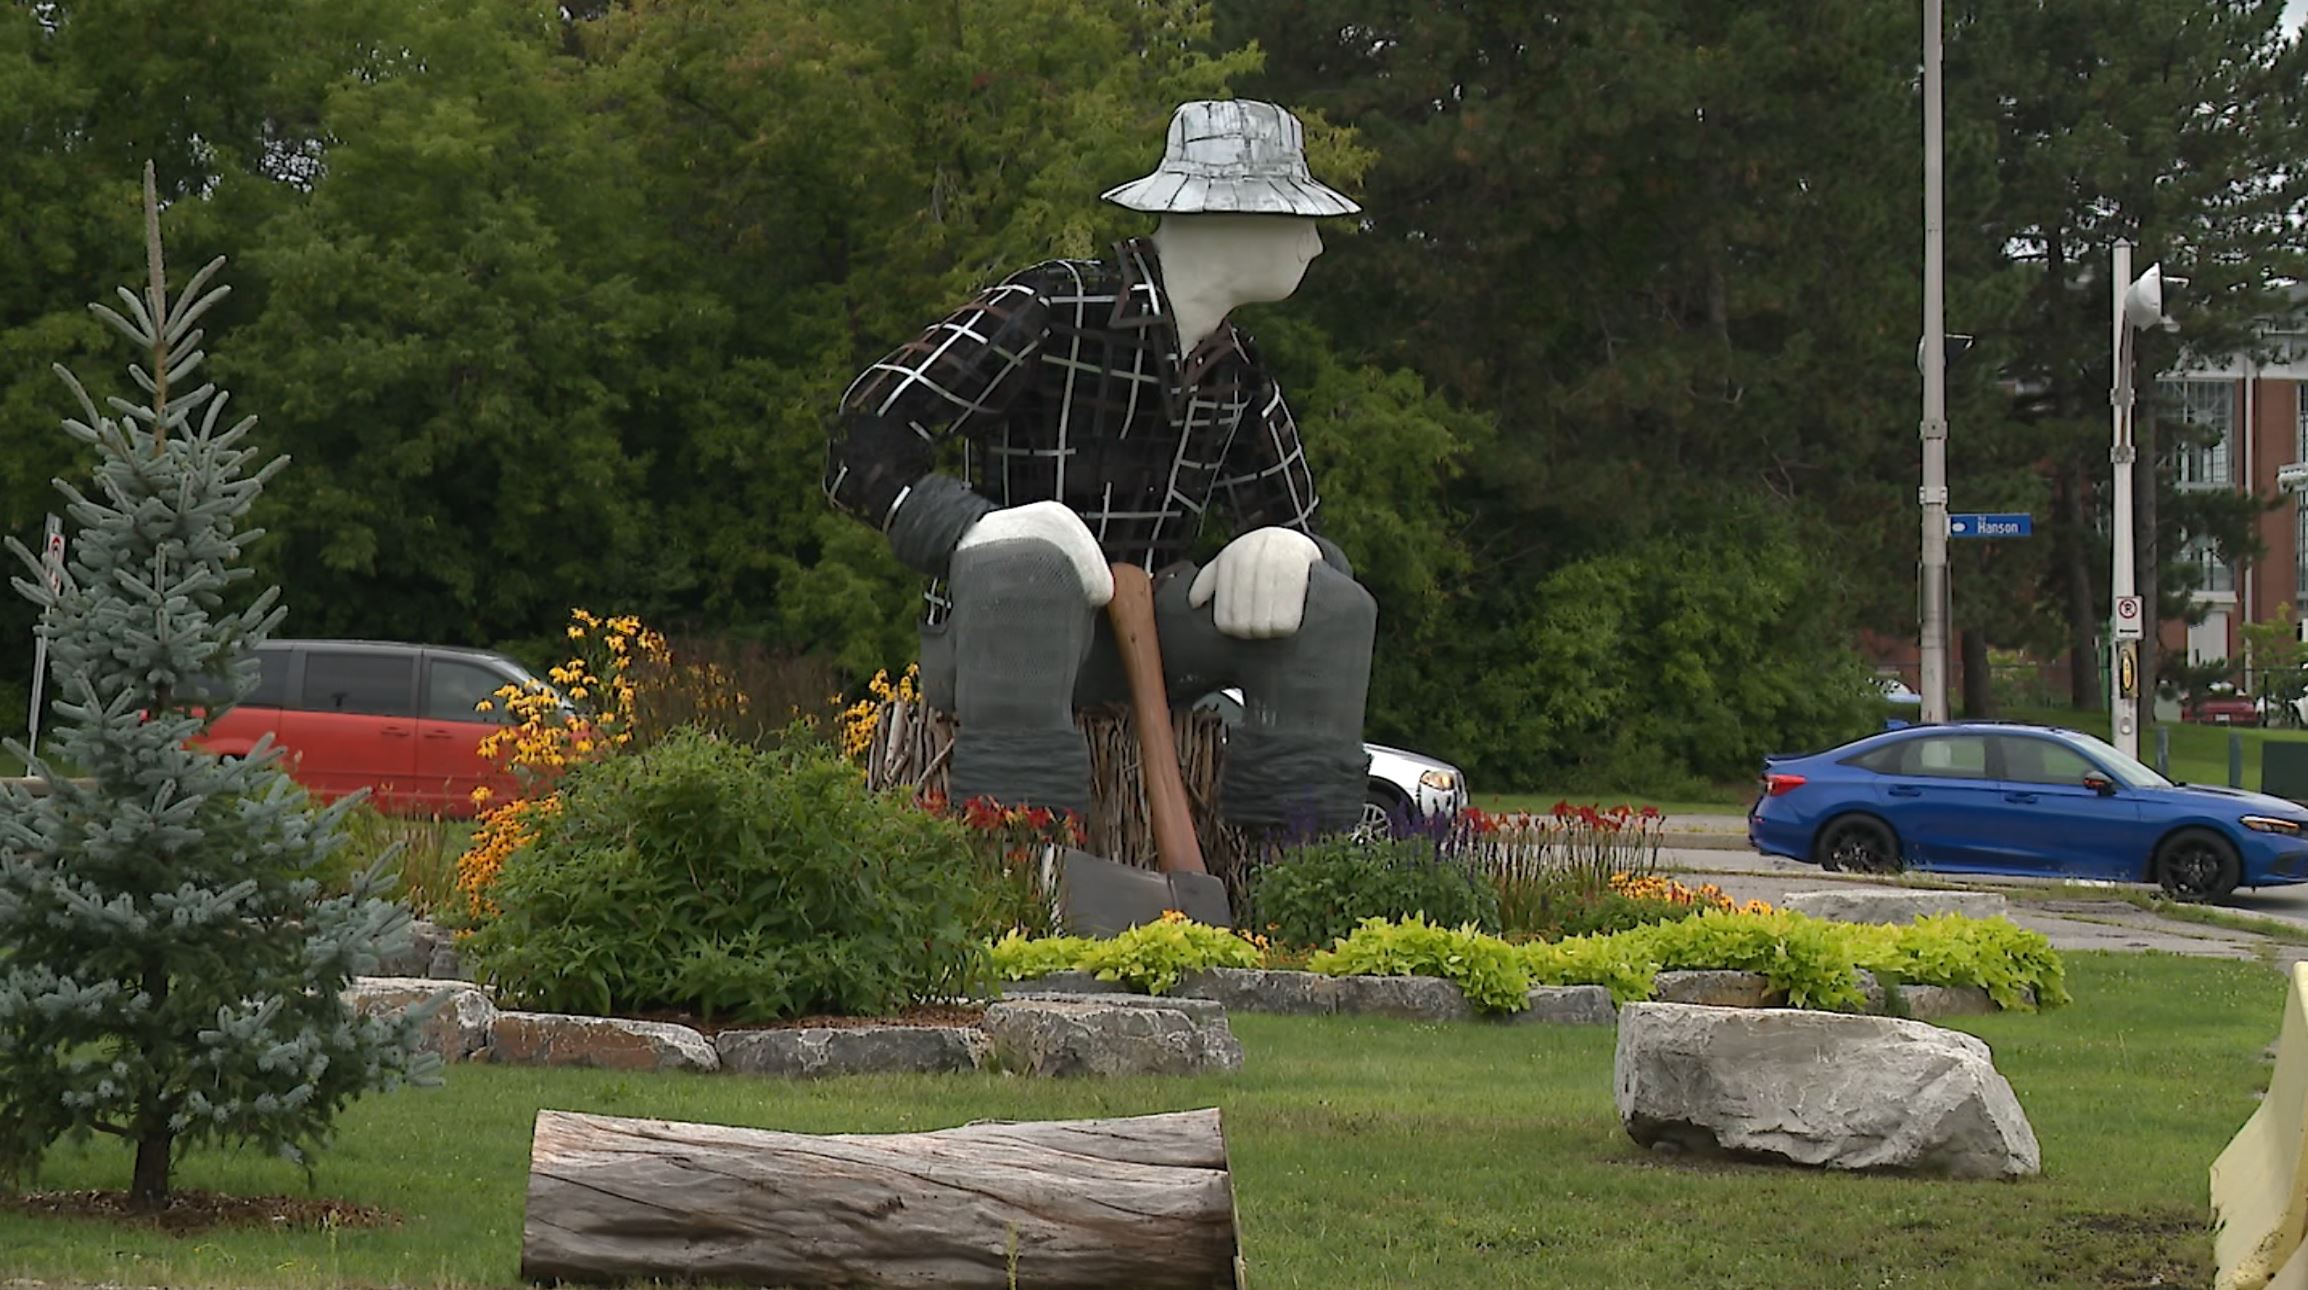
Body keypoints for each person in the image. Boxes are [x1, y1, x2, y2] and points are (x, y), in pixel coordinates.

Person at [824, 100, 1375, 832]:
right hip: (1002, 636)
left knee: (1326, 604)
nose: (1312, 243)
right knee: (1032, 569)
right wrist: (976, 530)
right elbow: (866, 432)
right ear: (1225, 220)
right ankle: (1020, 875)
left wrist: (1291, 549)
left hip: (1146, 639)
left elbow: (1298, 526)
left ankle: (1301, 884)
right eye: (1293, 218)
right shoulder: (1049, 308)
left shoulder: (1238, 370)